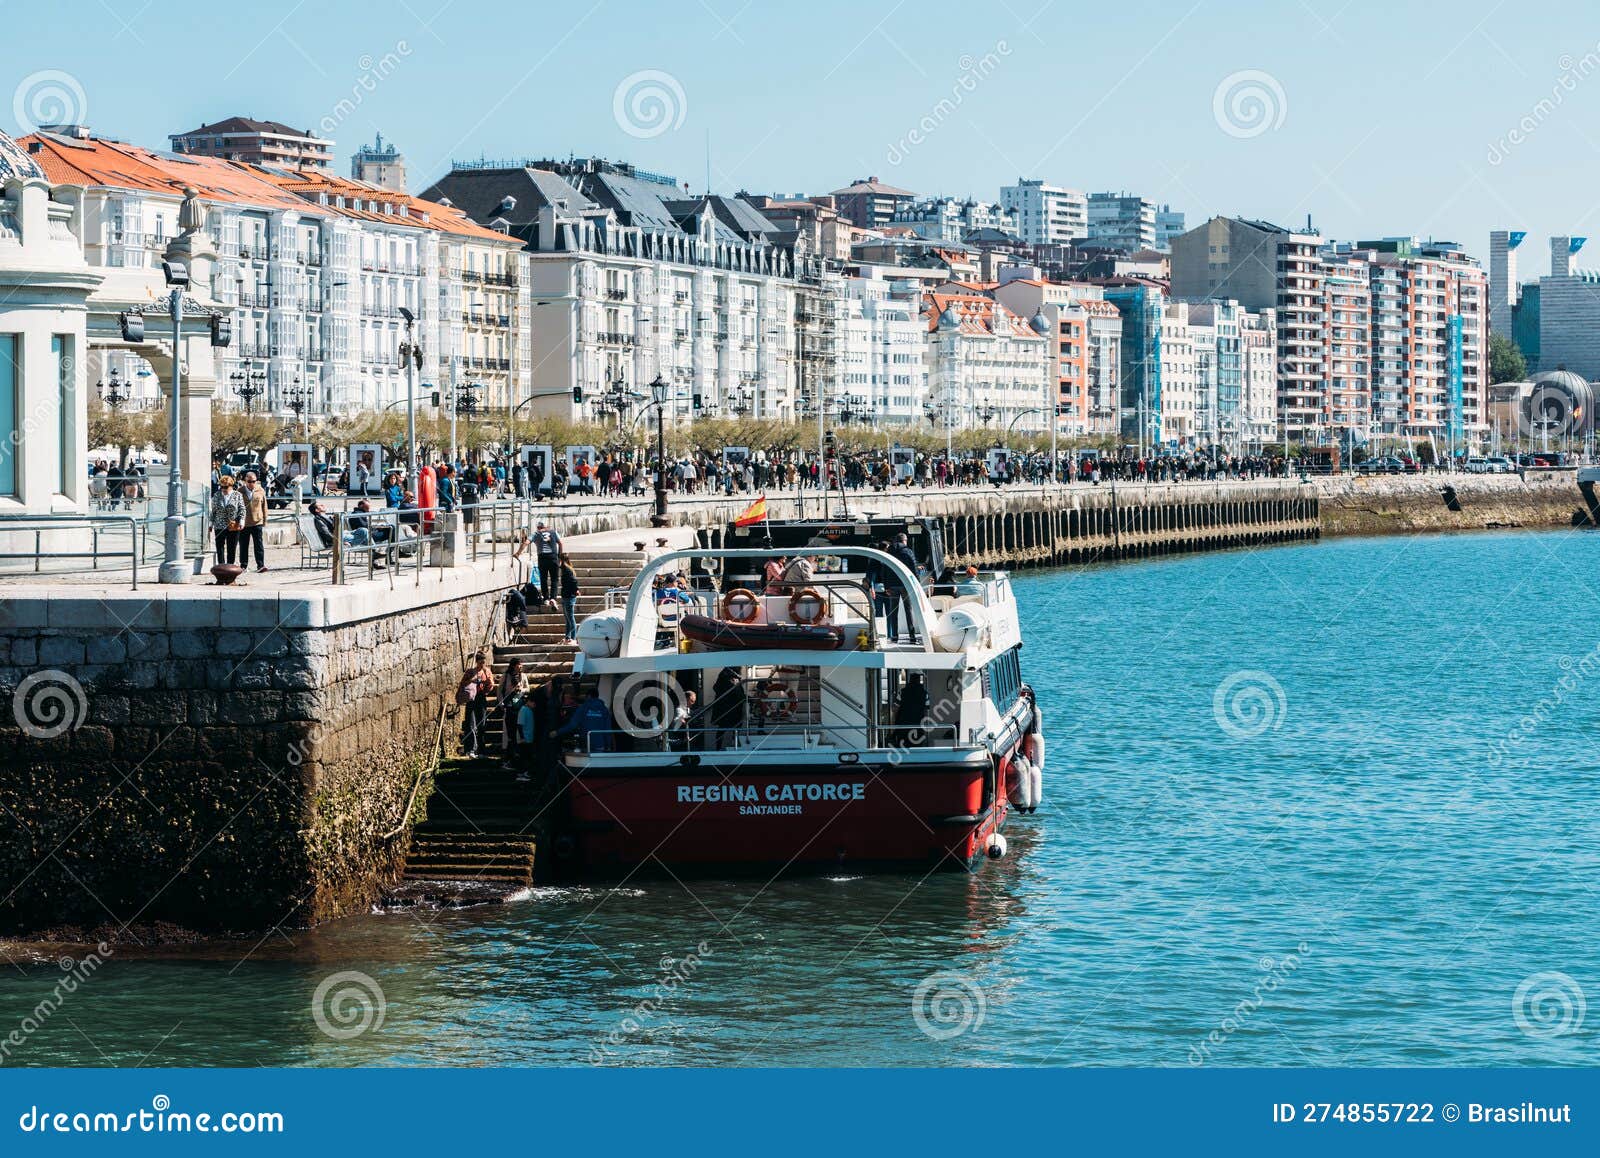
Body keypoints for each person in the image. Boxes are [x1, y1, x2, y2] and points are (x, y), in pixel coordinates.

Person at [551, 686, 614, 753]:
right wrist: (608, 745)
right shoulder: (604, 710)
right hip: (600, 744)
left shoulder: (583, 708)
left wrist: (557, 732)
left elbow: (572, 725)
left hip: (586, 743)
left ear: (588, 696)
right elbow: (607, 729)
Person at [458, 652, 494, 758]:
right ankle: (471, 749)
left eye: (484, 662)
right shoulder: (470, 672)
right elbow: (462, 684)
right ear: (477, 661)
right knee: (470, 723)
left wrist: (489, 683)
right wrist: (471, 681)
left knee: (481, 724)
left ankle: (481, 750)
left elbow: (490, 688)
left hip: (481, 698)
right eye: (480, 662)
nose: (482, 664)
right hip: (471, 699)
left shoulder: (487, 672)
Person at [209, 474, 244, 566]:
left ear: (231, 486)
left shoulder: (237, 495)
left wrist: (241, 521)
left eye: (226, 487)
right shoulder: (216, 495)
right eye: (222, 486)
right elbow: (213, 511)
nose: (223, 489)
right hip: (219, 524)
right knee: (219, 547)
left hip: (233, 524)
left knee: (231, 547)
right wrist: (210, 524)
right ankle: (221, 566)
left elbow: (242, 509)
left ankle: (230, 566)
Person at [238, 471, 269, 572]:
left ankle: (260, 565)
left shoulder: (260, 490)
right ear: (245, 481)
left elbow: (264, 506)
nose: (252, 483)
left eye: (254, 481)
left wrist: (265, 520)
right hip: (244, 523)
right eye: (249, 481)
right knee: (243, 545)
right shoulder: (239, 491)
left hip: (257, 522)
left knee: (258, 544)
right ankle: (243, 565)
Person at [499, 658, 529, 759]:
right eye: (518, 665)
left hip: (519, 704)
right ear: (513, 666)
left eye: (521, 665)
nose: (520, 666)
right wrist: (501, 703)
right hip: (509, 704)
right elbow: (499, 690)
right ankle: (507, 750)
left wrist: (522, 689)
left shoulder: (523, 676)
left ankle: (518, 749)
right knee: (508, 729)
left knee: (518, 727)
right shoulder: (506, 676)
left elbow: (528, 688)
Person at [891, 674, 930, 747]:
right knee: (917, 748)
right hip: (918, 726)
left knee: (902, 747)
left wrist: (894, 722)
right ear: (919, 681)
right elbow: (926, 710)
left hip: (903, 726)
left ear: (909, 680)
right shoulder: (925, 694)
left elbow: (895, 709)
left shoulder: (902, 692)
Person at [533, 520, 562, 600]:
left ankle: (546, 598)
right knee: (554, 579)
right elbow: (560, 543)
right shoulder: (553, 532)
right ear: (546, 526)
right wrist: (559, 557)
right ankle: (553, 598)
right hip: (553, 557)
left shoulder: (536, 533)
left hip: (542, 557)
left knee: (543, 578)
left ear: (538, 527)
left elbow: (527, 542)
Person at [558, 554, 580, 643]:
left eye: (558, 560)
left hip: (569, 597)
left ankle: (573, 638)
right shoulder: (565, 569)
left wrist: (576, 590)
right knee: (567, 619)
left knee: (570, 618)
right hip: (566, 596)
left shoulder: (567, 570)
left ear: (561, 560)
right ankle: (567, 637)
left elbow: (574, 581)